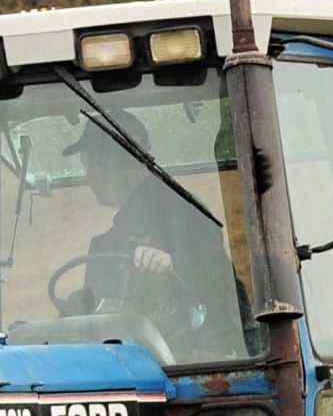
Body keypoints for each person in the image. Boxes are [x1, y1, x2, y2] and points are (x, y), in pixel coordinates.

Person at [66, 114, 240, 354]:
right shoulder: (115, 236)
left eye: (87, 166)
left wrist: (173, 266)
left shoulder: (183, 212)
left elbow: (223, 283)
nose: (89, 178)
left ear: (100, 167)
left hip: (194, 363)